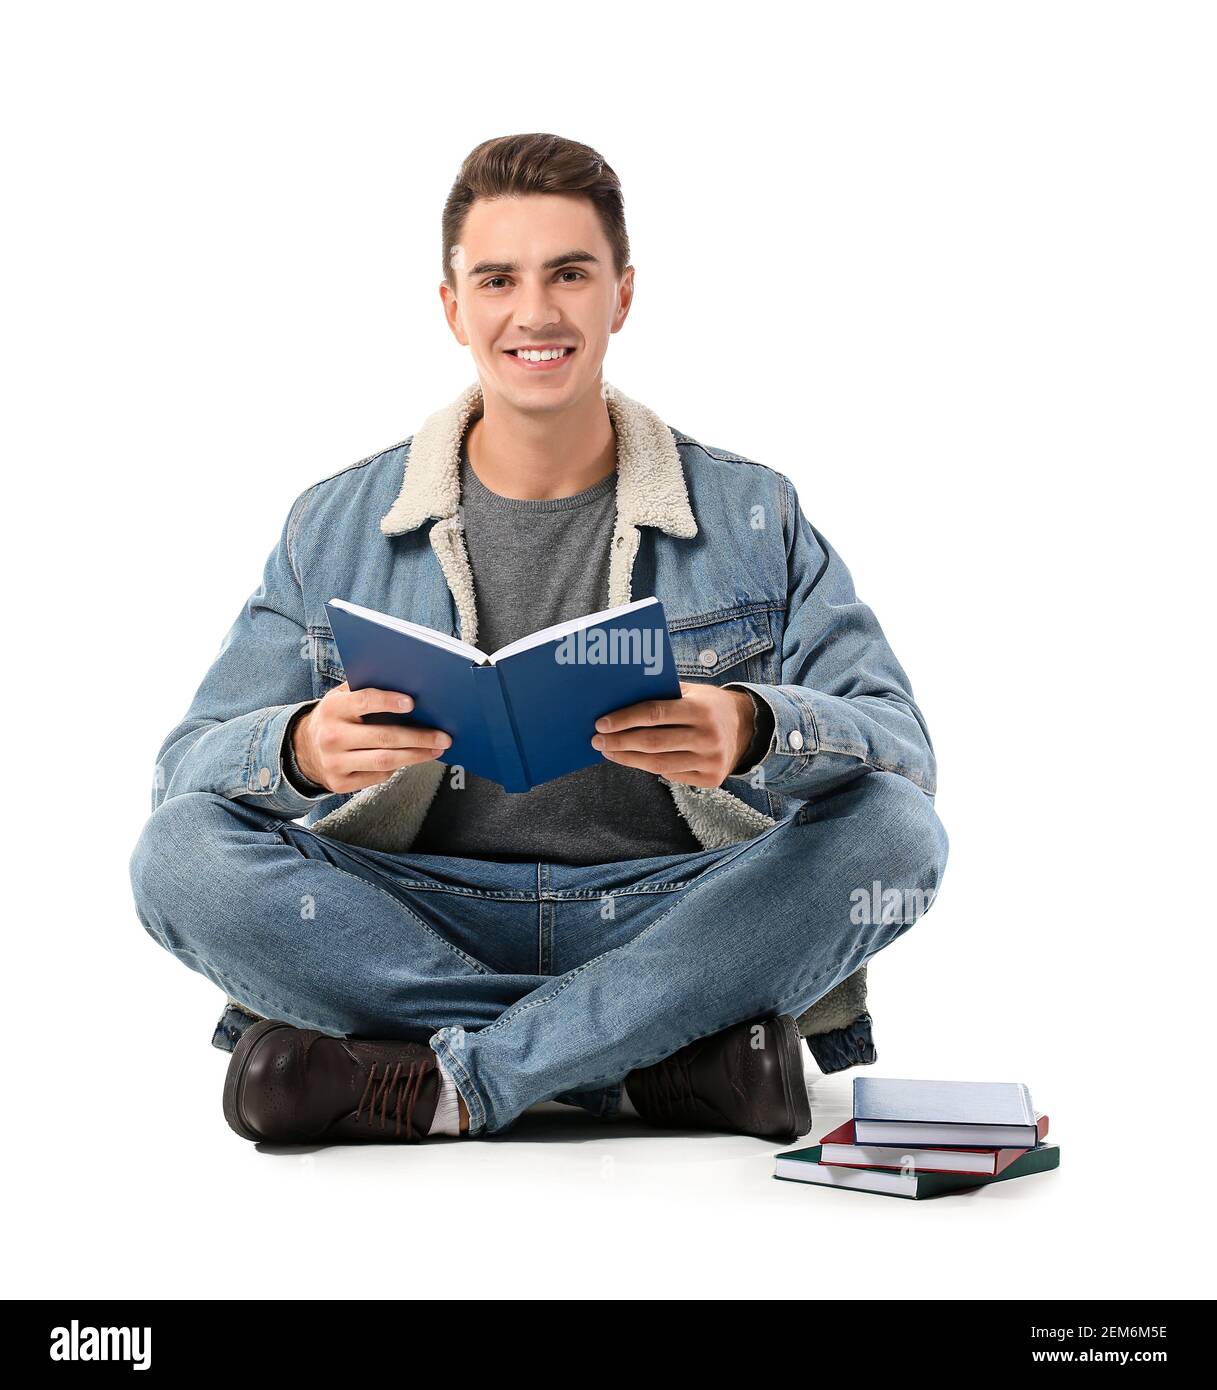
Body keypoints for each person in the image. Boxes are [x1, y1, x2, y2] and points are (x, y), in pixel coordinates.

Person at [129, 132, 949, 1147]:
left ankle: (456, 1080)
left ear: (622, 294)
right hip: (417, 918)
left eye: (569, 274)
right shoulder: (333, 522)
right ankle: (649, 1066)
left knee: (898, 838)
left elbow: (899, 751)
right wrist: (298, 750)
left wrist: (751, 726)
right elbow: (181, 780)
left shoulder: (752, 511)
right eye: (497, 279)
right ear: (452, 306)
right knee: (177, 857)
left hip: (671, 914)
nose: (534, 313)